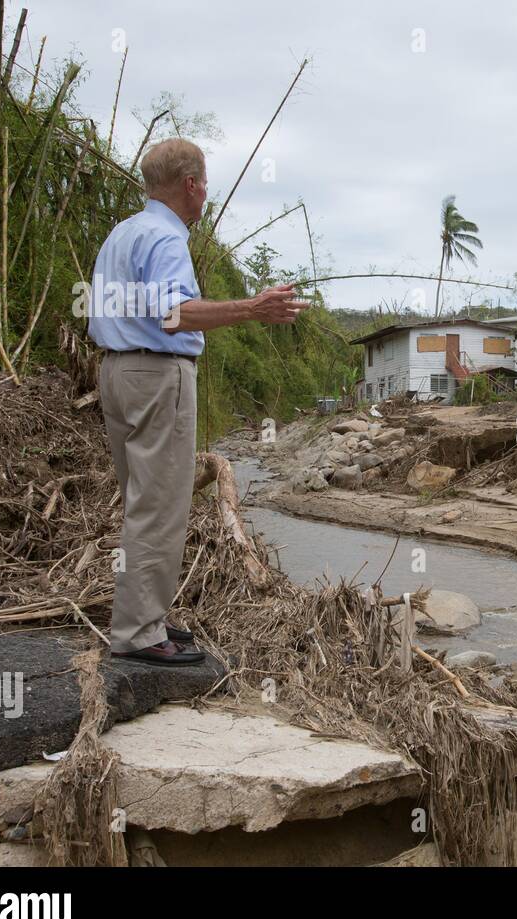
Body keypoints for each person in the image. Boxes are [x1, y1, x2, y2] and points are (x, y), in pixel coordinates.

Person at [88, 138, 309, 666]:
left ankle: (147, 616)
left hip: (115, 372)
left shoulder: (123, 233)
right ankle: (139, 633)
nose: (206, 193)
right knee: (160, 505)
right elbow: (173, 314)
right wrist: (252, 308)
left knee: (143, 500)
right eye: (205, 183)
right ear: (190, 184)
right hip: (157, 373)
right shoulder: (166, 237)